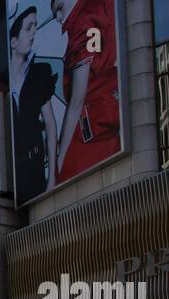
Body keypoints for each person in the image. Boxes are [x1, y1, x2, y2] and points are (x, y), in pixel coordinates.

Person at [52, 0, 121, 184]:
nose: (58, 18)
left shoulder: (84, 21)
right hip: (107, 119)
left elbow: (77, 98)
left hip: (87, 132)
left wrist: (59, 161)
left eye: (59, 8)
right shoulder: (101, 8)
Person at [9, 5, 58, 203]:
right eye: (28, 28)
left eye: (35, 26)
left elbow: (51, 124)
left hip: (37, 166)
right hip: (16, 177)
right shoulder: (4, 85)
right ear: (14, 41)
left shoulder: (39, 73)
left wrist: (52, 178)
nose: (33, 33)